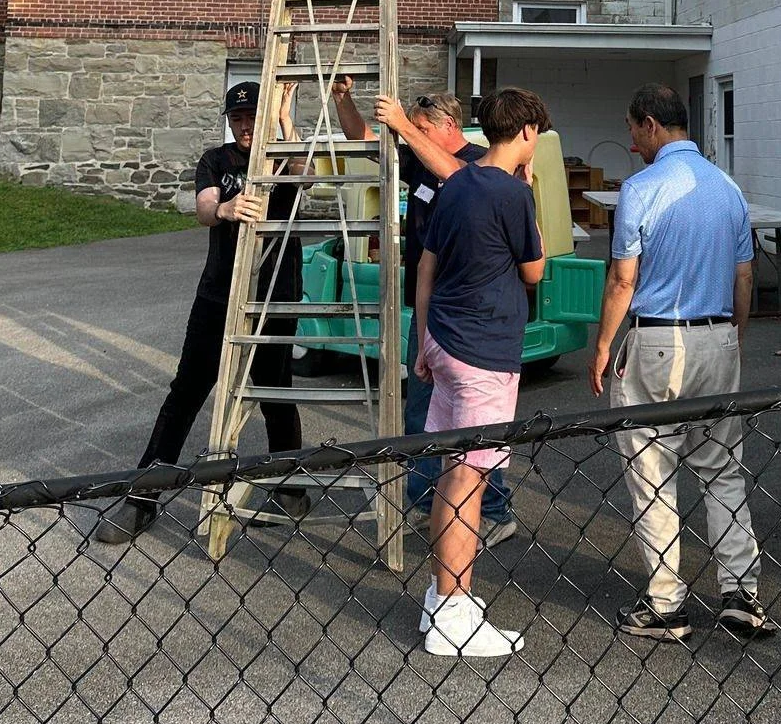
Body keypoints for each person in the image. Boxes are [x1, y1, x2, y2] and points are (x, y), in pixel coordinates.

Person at [589, 83, 776, 641]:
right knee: (721, 468)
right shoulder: (728, 188)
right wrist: (733, 337)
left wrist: (603, 345)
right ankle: (741, 595)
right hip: (718, 336)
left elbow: (623, 278)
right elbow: (744, 275)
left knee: (653, 469)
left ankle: (666, 603)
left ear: (650, 124)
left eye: (632, 129)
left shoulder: (641, 188)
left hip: (657, 339)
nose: (632, 141)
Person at [96, 80, 310, 545]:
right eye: (238, 118)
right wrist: (227, 208)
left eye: (253, 116)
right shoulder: (217, 159)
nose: (245, 126)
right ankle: (142, 497)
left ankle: (291, 489)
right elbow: (204, 207)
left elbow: (304, 173)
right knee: (187, 389)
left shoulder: (283, 153)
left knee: (274, 390)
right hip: (219, 292)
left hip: (274, 292)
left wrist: (285, 120)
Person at [329, 79, 515, 541]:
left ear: (448, 125)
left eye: (419, 129)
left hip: (470, 309)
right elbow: (362, 139)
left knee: (475, 421)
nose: (410, 136)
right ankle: (426, 502)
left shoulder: (479, 163)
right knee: (422, 409)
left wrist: (401, 125)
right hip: (430, 306)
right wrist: (343, 100)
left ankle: (495, 511)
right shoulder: (417, 157)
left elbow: (457, 176)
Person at [412, 87, 548, 657]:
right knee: (471, 479)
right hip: (483, 352)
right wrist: (531, 194)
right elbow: (535, 270)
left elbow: (427, 266)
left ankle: (445, 597)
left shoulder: (456, 183)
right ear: (527, 132)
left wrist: (423, 342)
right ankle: (453, 614)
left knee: (453, 470)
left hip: (444, 339)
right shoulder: (512, 193)